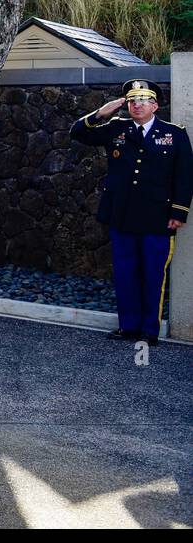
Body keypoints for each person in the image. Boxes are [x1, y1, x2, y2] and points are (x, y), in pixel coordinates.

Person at [70, 79, 191, 346]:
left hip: (157, 218)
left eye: (143, 100)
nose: (136, 105)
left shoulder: (174, 133)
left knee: (153, 275)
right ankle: (129, 326)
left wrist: (179, 212)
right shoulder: (116, 128)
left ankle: (149, 330)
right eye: (132, 101)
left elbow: (184, 177)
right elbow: (77, 133)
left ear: (155, 105)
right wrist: (102, 112)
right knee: (125, 273)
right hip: (121, 215)